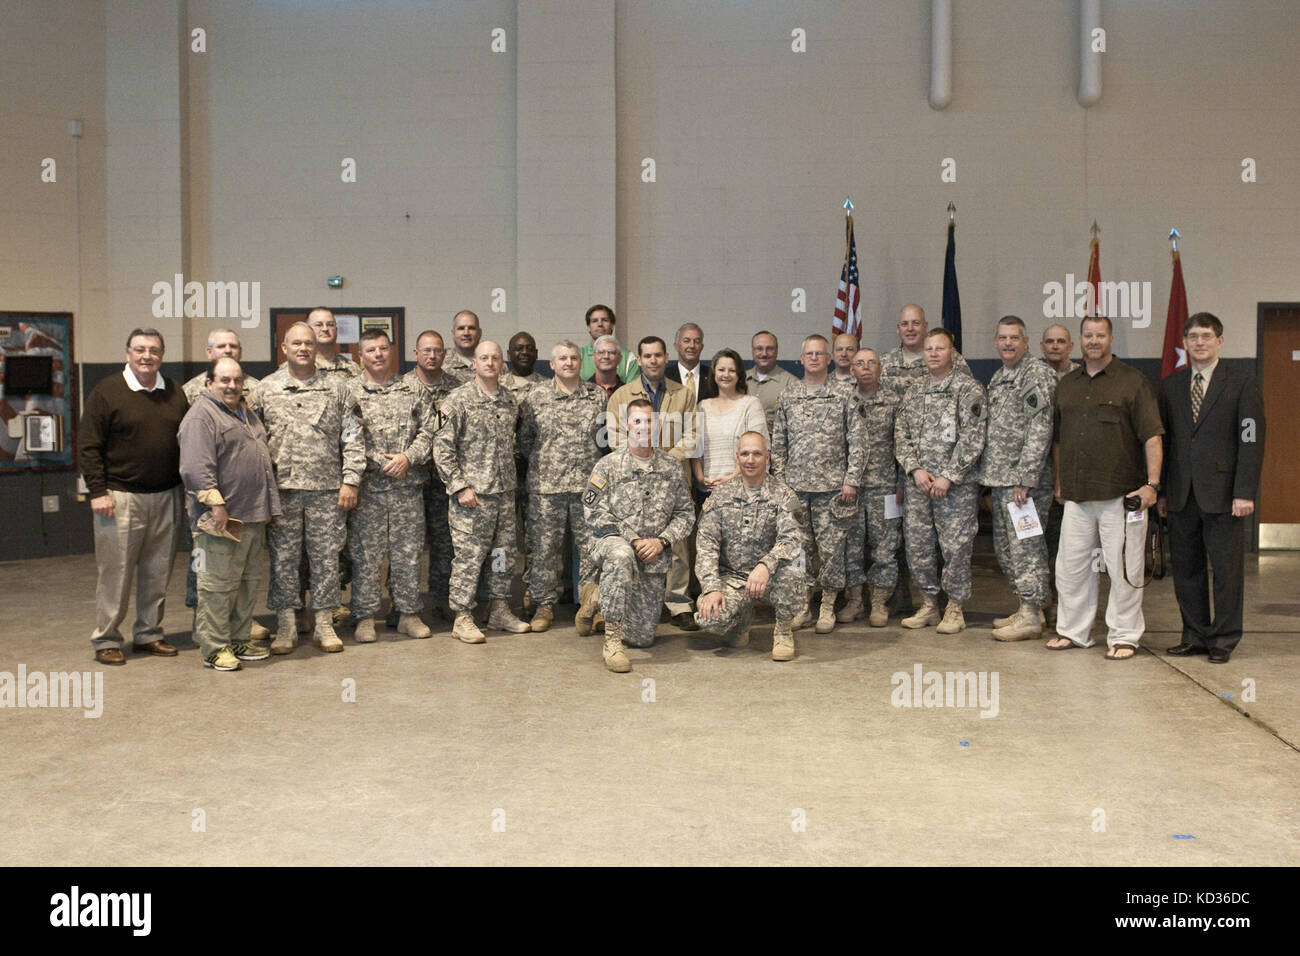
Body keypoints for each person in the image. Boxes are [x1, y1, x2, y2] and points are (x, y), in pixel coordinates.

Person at [1047, 316, 1164, 658]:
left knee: (1124, 570)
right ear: (1079, 341)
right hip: (1077, 495)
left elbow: (1152, 437)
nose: (1093, 340)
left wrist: (1152, 484)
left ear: (1110, 338)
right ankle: (1073, 632)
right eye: (1088, 335)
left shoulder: (1133, 382)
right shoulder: (1067, 384)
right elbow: (1058, 441)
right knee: (1070, 569)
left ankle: (1124, 635)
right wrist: (1059, 482)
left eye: (1100, 334)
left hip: (1122, 495)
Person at [1158, 312, 1265, 664]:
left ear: (1220, 341)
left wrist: (1245, 491)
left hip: (1225, 495)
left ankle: (1223, 638)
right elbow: (1166, 441)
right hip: (1181, 494)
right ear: (1185, 343)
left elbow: (1250, 439)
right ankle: (1194, 635)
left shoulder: (1242, 382)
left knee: (1226, 570)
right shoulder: (1171, 385)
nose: (1199, 342)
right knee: (1186, 570)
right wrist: (1161, 491)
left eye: (1206, 336)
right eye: (1193, 337)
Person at [252, 322, 364, 654]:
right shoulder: (265, 389)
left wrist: (351, 480)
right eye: (296, 343)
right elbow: (253, 443)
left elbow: (354, 438)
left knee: (327, 558)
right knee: (284, 560)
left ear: (316, 349)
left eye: (309, 343)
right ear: (284, 348)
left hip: (327, 491)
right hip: (281, 491)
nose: (303, 348)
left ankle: (324, 624)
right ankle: (286, 626)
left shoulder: (339, 388)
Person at [79, 328, 189, 665]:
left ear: (161, 355)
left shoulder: (173, 392)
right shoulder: (107, 392)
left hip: (166, 495)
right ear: (128, 352)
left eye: (154, 350)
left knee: (157, 572)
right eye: (139, 349)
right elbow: (88, 446)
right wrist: (97, 491)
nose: (146, 356)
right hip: (119, 497)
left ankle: (148, 634)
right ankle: (107, 639)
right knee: (116, 572)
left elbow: (186, 441)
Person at [178, 357, 280, 671]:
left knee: (247, 582)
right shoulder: (201, 416)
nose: (232, 386)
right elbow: (195, 468)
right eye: (224, 380)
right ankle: (215, 647)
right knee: (215, 585)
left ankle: (239, 639)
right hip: (219, 520)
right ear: (209, 383)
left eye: (237, 380)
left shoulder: (244, 411)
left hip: (251, 515)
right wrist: (216, 506)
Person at [584, 399, 696, 672]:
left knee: (642, 638)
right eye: (637, 421)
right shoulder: (607, 466)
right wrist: (633, 539)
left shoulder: (671, 468)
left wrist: (662, 541)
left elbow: (686, 514)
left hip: (653, 556)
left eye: (649, 421)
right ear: (626, 425)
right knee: (621, 556)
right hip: (612, 543)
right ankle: (611, 640)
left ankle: (595, 597)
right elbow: (592, 510)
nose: (643, 427)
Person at [432, 340, 530, 642]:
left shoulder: (509, 401)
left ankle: (499, 608)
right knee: (469, 557)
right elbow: (442, 447)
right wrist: (459, 486)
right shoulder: (457, 400)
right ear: (473, 363)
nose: (490, 363)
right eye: (483, 358)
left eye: (495, 358)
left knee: (502, 555)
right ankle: (462, 616)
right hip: (472, 497)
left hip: (503, 494)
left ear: (502, 364)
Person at [770, 334, 867, 634]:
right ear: (800, 359)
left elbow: (859, 441)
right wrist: (781, 483)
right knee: (798, 552)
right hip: (796, 491)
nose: (814, 358)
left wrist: (851, 480)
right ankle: (802, 607)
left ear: (829, 359)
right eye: (808, 354)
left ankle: (827, 605)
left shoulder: (845, 395)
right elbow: (779, 443)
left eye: (819, 354)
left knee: (831, 551)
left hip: (833, 491)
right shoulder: (789, 395)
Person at [894, 328, 987, 634]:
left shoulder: (967, 388)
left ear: (952, 352)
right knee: (919, 546)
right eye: (929, 348)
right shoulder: (915, 390)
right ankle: (929, 605)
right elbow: (901, 435)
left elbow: (973, 438)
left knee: (956, 547)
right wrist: (915, 470)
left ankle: (955, 608)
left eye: (940, 348)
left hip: (954, 488)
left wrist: (949, 475)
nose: (933, 353)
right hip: (919, 485)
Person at [345, 329, 436, 643]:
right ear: (361, 356)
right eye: (371, 350)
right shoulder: (349, 391)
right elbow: (347, 436)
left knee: (408, 554)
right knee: (366, 555)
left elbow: (429, 431)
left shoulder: (413, 389)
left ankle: (408, 614)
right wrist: (379, 460)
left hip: (406, 488)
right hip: (368, 489)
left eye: (383, 348)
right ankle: (366, 617)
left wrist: (408, 458)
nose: (378, 355)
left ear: (392, 352)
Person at [606, 335, 699, 630]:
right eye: (647, 356)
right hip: (630, 484)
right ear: (639, 359)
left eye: (658, 355)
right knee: (636, 541)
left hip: (671, 480)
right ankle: (642, 600)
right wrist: (643, 462)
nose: (653, 361)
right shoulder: (621, 396)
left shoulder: (683, 394)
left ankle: (678, 603)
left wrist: (665, 461)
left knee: (676, 543)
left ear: (666, 358)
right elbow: (615, 436)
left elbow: (693, 435)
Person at [694, 432, 807, 661]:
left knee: (795, 572)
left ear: (767, 457)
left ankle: (783, 631)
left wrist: (766, 565)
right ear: (737, 457)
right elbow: (707, 544)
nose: (750, 459)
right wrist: (711, 588)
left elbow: (793, 539)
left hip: (771, 576)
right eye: (745, 454)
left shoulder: (784, 495)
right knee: (710, 618)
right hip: (733, 578)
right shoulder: (721, 495)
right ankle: (741, 621)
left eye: (757, 453)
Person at [518, 341, 607, 631]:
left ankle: (589, 606)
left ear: (581, 364)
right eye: (562, 359)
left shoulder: (597, 397)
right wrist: (547, 466)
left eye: (573, 358)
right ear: (552, 364)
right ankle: (544, 606)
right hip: (546, 488)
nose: (568, 362)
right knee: (544, 550)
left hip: (588, 490)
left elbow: (604, 443)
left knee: (591, 550)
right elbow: (525, 440)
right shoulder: (535, 397)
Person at [980, 317, 1057, 641]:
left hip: (1023, 485)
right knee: (1006, 548)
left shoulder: (1034, 373)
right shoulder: (1000, 377)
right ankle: (1029, 606)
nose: (1008, 343)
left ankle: (1031, 614)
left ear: (1026, 342)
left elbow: (1040, 427)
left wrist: (1025, 477)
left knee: (1026, 548)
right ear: (995, 342)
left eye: (1014, 338)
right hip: (1001, 481)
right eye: (1002, 338)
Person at [402, 330, 463, 622]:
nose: (432, 355)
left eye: (438, 350)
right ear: (416, 353)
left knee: (444, 542)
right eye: (426, 350)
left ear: (445, 353)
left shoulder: (457, 388)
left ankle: (441, 598)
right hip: (409, 478)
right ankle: (403, 605)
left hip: (443, 482)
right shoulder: (402, 387)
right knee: (407, 545)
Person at [840, 348, 903, 626]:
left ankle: (879, 602)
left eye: (871, 363)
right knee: (851, 546)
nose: (866, 368)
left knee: (885, 547)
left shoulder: (894, 401)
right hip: (851, 488)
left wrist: (902, 482)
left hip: (886, 486)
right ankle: (855, 601)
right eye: (859, 363)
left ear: (880, 368)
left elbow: (902, 444)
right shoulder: (843, 401)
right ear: (851, 369)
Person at [1038, 322, 1077, 624]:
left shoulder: (1080, 378)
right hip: (1039, 477)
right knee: (1041, 545)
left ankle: (1069, 608)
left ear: (1071, 346)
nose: (1055, 346)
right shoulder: (1032, 377)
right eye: (1049, 341)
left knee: (1072, 549)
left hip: (1075, 477)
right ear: (1041, 346)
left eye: (1060, 341)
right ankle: (1042, 604)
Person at [692, 349, 766, 494]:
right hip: (706, 490)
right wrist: (700, 477)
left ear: (739, 375)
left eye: (732, 370)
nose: (726, 375)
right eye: (721, 370)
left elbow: (758, 449)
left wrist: (732, 477)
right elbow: (695, 447)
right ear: (714, 374)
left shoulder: (751, 404)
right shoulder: (702, 406)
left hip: (740, 490)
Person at [881, 304, 972, 398]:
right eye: (904, 324)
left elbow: (968, 391)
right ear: (898, 329)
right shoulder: (883, 362)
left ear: (925, 326)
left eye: (916, 323)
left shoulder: (951, 358)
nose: (910, 328)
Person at [182, 329, 260, 403]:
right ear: (209, 353)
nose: (228, 351)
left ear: (240, 352)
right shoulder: (190, 390)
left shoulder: (257, 389)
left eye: (233, 346)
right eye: (221, 346)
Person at [745, 330, 797, 433]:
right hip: (742, 445)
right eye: (759, 348)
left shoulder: (791, 383)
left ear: (777, 351)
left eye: (769, 349)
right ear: (752, 351)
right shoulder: (740, 379)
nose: (764, 353)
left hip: (774, 446)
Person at [579, 304, 639, 383]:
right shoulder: (577, 355)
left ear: (612, 326)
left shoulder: (628, 357)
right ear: (588, 328)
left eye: (605, 320)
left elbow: (632, 391)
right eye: (594, 321)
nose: (600, 324)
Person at [665, 323, 715, 402]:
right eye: (686, 341)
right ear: (676, 346)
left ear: (702, 347)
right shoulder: (664, 376)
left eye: (697, 341)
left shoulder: (713, 376)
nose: (692, 345)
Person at [306, 307, 360, 378]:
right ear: (307, 330)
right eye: (318, 325)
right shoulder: (296, 368)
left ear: (336, 330)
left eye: (330, 325)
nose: (325, 329)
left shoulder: (352, 369)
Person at [502, 331, 545, 398]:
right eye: (519, 348)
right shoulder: (497, 385)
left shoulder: (548, 386)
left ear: (536, 353)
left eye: (530, 348)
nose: (525, 352)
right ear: (509, 355)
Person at [443, 310, 482, 374]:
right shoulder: (440, 362)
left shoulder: (492, 363)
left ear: (479, 333)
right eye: (461, 328)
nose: (466, 333)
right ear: (453, 333)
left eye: (471, 328)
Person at [588, 334, 624, 402]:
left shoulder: (627, 392)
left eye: (611, 352)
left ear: (620, 359)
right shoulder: (582, 391)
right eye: (601, 352)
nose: (606, 356)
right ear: (593, 357)